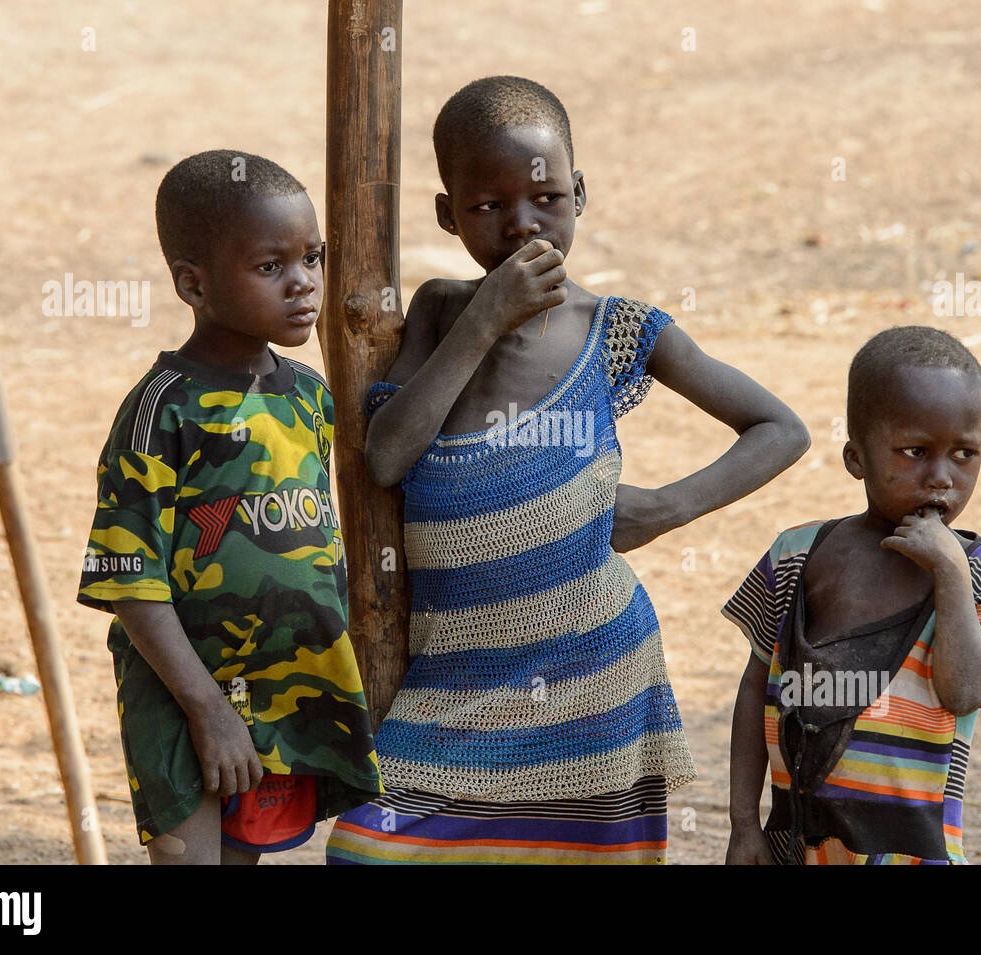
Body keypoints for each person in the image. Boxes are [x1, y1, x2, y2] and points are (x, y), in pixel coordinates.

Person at [324, 76, 809, 865]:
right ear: (449, 215)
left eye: (545, 196)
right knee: (368, 849)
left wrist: (666, 506)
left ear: (579, 193)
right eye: (487, 206)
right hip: (458, 682)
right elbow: (385, 455)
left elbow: (781, 429)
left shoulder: (616, 329)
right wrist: (485, 319)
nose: (521, 223)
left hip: (593, 670)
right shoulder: (443, 311)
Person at [77, 150, 382, 864]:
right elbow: (130, 580)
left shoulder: (309, 395)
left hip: (287, 688)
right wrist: (207, 709)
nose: (303, 281)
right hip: (182, 695)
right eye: (270, 267)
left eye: (312, 257)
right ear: (194, 283)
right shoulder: (163, 409)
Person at [723, 325, 981, 865]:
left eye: (964, 454)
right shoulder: (796, 556)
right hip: (792, 843)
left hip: (912, 852)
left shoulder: (977, 571)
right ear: (856, 458)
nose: (941, 479)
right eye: (915, 451)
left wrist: (950, 576)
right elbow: (755, 688)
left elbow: (965, 694)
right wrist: (744, 825)